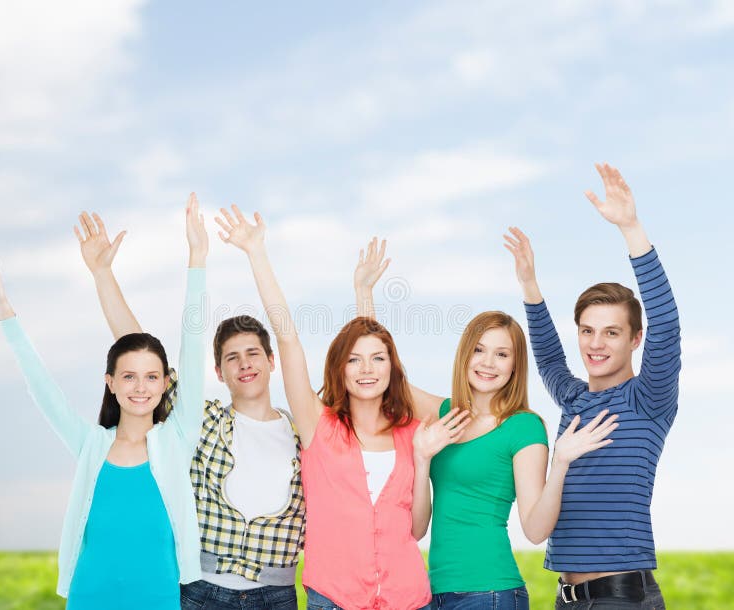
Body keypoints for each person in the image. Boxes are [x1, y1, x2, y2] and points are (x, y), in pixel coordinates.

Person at [215, 206, 469, 610]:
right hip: (333, 599)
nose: (366, 369)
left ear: (393, 367)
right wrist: (256, 252)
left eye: (378, 360)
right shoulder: (319, 426)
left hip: (409, 599)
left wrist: (422, 461)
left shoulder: (411, 434)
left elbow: (417, 529)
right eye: (353, 360)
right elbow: (288, 341)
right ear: (340, 369)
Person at [0, 194, 208, 609]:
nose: (141, 387)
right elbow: (43, 390)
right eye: (129, 376)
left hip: (158, 597)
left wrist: (197, 259)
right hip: (89, 595)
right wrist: (3, 310)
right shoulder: (92, 445)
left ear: (167, 382)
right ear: (110, 383)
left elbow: (193, 344)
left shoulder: (178, 438)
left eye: (152, 377)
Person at [355, 243, 618, 610]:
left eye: (502, 354)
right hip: (434, 591)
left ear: (514, 365)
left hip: (491, 592)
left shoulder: (523, 427)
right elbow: (385, 376)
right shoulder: (445, 414)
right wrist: (364, 294)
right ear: (465, 355)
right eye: (479, 350)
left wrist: (560, 464)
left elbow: (535, 528)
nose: (488, 363)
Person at [74, 212, 303, 609]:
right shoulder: (201, 420)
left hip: (277, 594)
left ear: (271, 360)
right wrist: (102, 273)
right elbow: (136, 348)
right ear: (218, 371)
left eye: (253, 354)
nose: (244, 364)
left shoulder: (302, 431)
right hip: (202, 591)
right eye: (232, 358)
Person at [504, 163, 680, 609]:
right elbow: (546, 355)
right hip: (567, 598)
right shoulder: (574, 399)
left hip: (620, 597)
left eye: (611, 332)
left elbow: (668, 324)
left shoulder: (649, 398)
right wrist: (529, 285)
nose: (596, 344)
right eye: (587, 330)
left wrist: (631, 229)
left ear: (635, 338)